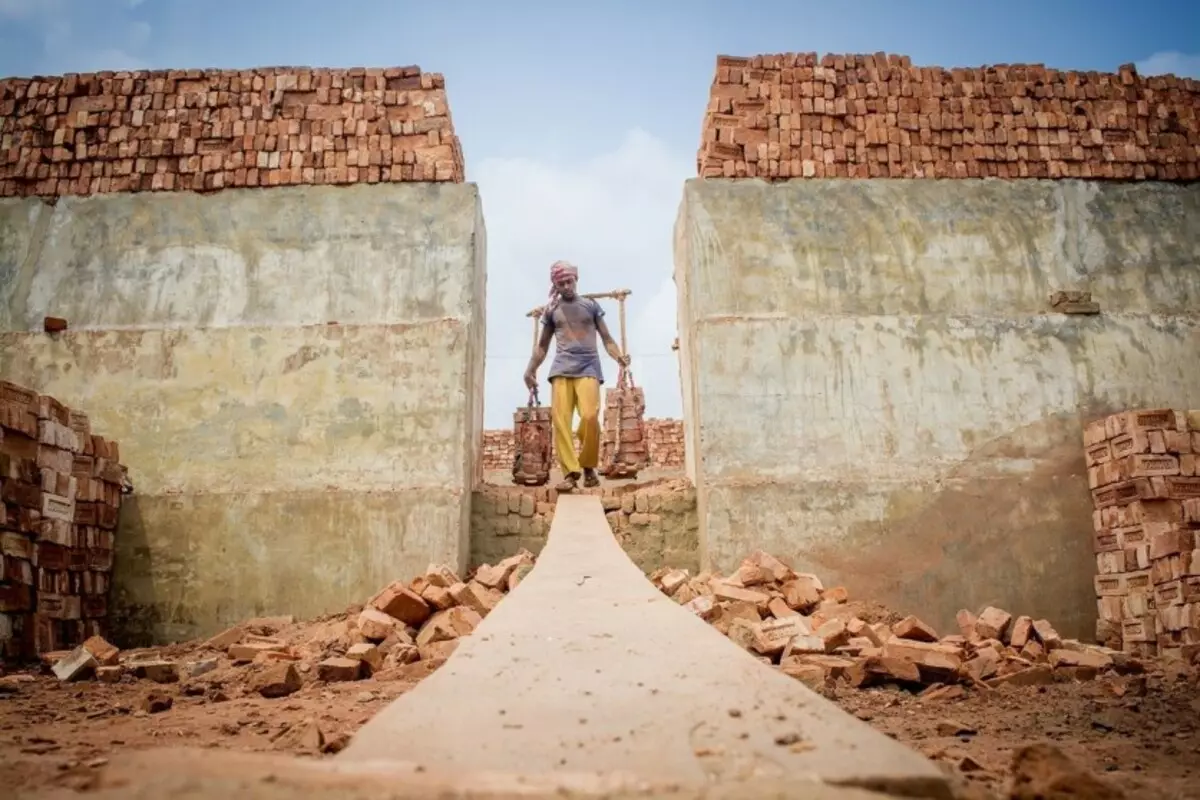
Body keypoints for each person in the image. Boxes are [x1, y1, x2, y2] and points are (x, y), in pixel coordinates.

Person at [524, 260, 630, 493]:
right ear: (556, 285)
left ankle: (589, 466)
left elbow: (607, 339)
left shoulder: (590, 306)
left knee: (590, 417)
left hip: (589, 367)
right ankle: (571, 474)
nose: (567, 286)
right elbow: (542, 346)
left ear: (576, 280)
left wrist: (619, 356)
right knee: (561, 421)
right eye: (561, 283)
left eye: (569, 281)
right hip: (561, 369)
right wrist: (530, 369)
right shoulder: (552, 311)